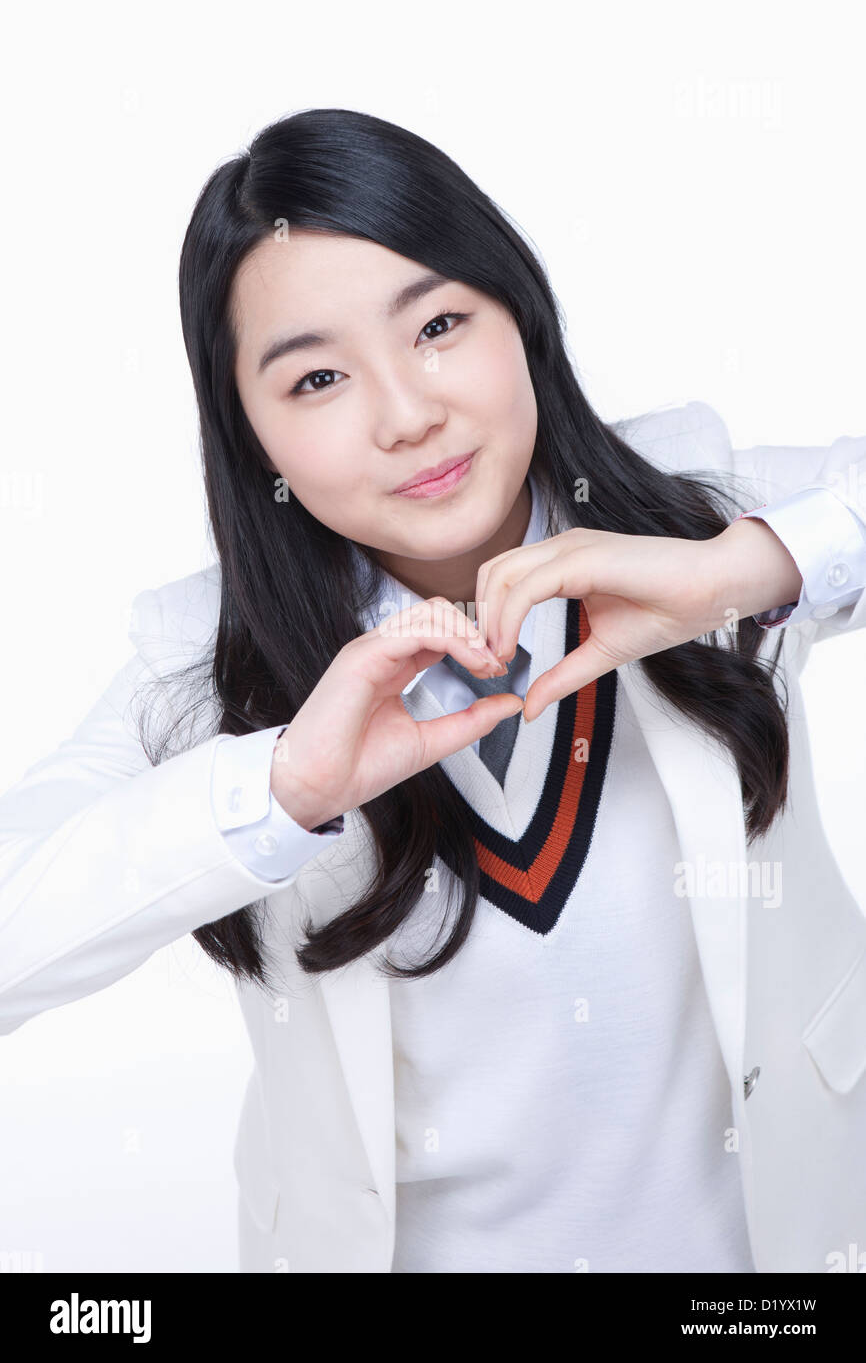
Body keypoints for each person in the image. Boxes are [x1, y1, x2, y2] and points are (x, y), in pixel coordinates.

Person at [2, 107, 865, 1274]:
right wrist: (282, 789)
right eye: (315, 378)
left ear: (522, 314)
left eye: (440, 324)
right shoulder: (201, 671)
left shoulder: (691, 514)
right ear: (250, 435)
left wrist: (744, 567)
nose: (407, 415)